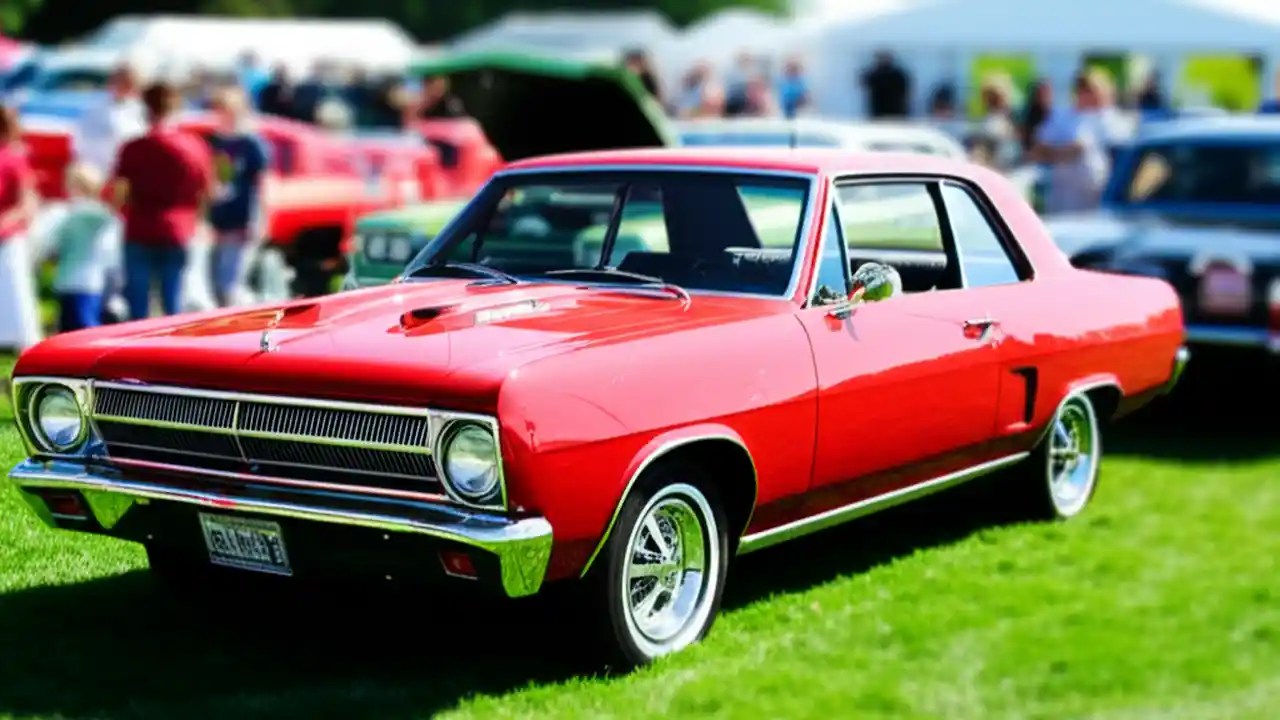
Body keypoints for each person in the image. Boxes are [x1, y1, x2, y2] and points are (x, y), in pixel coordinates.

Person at [111, 81, 215, 320]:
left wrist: (124, 210)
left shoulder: (133, 147)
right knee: (174, 299)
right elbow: (208, 191)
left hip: (140, 226)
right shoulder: (194, 146)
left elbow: (119, 193)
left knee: (138, 302)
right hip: (180, 226)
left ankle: (135, 354)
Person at [206, 85, 269, 307]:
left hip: (241, 219)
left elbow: (262, 184)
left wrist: (259, 219)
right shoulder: (213, 142)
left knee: (230, 284)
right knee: (214, 285)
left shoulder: (251, 144)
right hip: (216, 220)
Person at [51, 163, 120, 332]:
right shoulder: (73, 212)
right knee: (71, 329)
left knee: (84, 329)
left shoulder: (91, 213)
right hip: (74, 280)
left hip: (84, 281)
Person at [1031, 72, 1111, 214]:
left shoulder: (1107, 118)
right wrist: (1067, 152)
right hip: (1065, 199)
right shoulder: (1060, 117)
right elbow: (1038, 151)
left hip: (1098, 198)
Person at [0, 104, 41, 351]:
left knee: (16, 297)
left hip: (8, 239)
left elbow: (27, 203)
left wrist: (5, 223)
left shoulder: (14, 159)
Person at [74, 63, 146, 176]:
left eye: (131, 83)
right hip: (99, 172)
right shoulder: (96, 108)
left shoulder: (141, 109)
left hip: (130, 172)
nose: (127, 87)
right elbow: (82, 142)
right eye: (123, 81)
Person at [860, 51, 911, 118]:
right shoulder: (874, 74)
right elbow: (865, 83)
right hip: (878, 110)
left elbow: (905, 89)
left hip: (896, 111)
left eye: (886, 59)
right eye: (882, 59)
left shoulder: (898, 74)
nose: (884, 61)